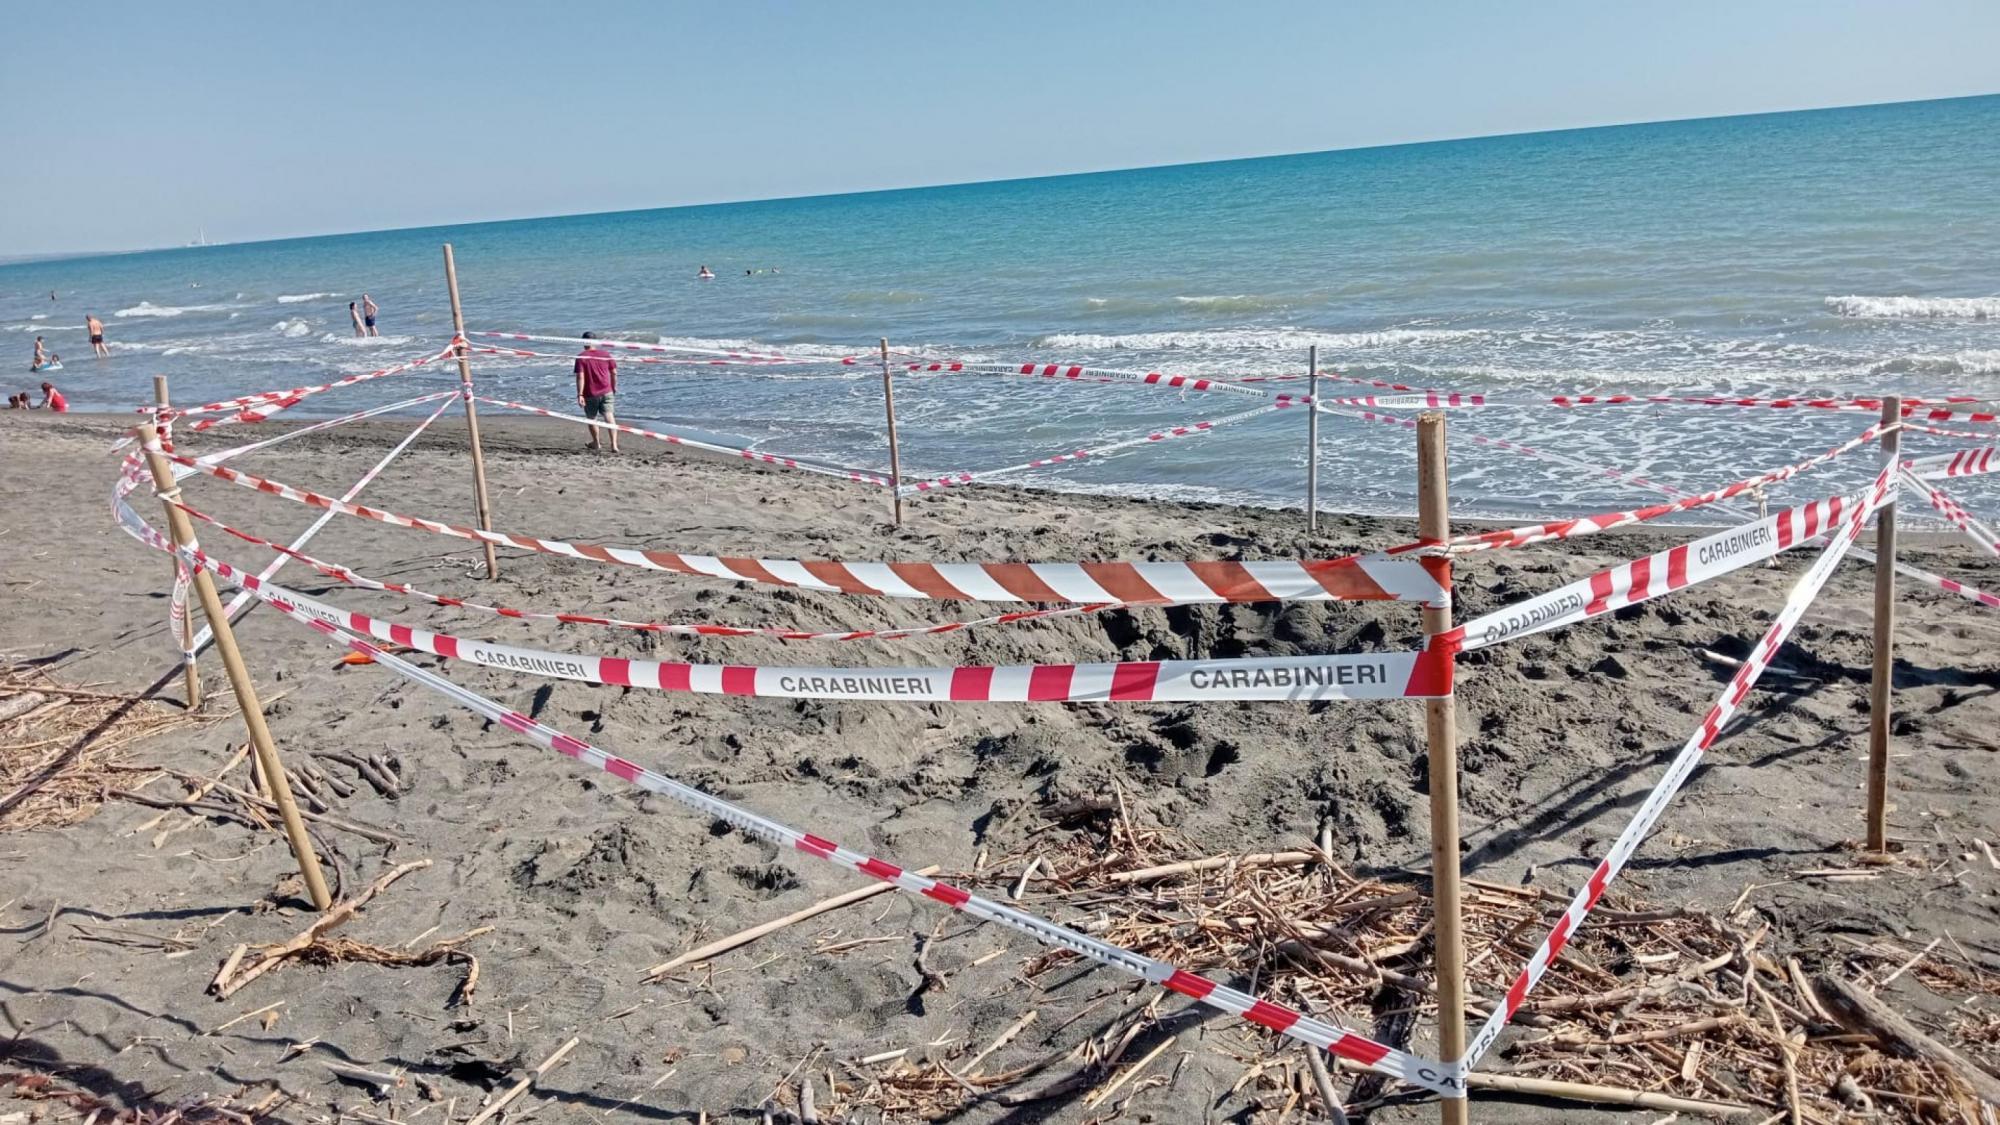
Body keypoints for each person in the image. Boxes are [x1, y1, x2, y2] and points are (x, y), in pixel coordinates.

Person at [574, 332, 618, 452]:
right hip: (606, 390)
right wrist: (614, 386)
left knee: (591, 418)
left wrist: (580, 394)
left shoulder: (581, 357)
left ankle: (596, 443)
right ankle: (614, 445)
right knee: (609, 416)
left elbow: (580, 377)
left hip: (590, 393)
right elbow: (614, 372)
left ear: (583, 342)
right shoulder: (605, 354)